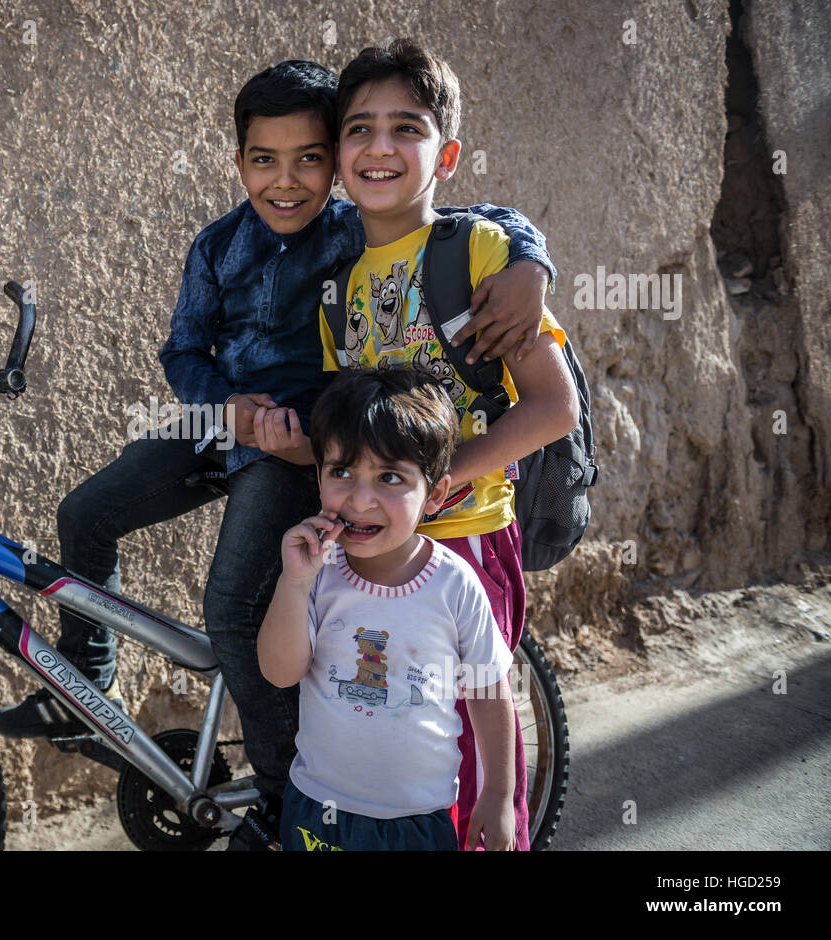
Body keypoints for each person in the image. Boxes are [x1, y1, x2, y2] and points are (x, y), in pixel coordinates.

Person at [0, 58, 557, 849]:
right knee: (84, 512)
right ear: (239, 164)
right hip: (228, 426)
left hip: (305, 448)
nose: (287, 182)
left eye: (309, 159)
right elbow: (183, 351)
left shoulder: (352, 231)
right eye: (265, 160)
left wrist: (533, 259)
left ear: (332, 164)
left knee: (229, 602)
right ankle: (86, 679)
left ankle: (279, 788)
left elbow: (459, 214)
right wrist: (225, 408)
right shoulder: (218, 246)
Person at [286, 37, 581, 849]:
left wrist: (446, 482)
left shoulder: (479, 252)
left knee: (477, 765)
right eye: (360, 129)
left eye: (406, 128)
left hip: (469, 544)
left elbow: (552, 407)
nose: (381, 147)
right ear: (338, 157)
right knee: (399, 763)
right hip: (372, 556)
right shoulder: (337, 294)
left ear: (445, 154)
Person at [258, 368, 518, 851]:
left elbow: (489, 693)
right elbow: (278, 673)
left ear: (435, 494)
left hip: (418, 823)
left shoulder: (454, 584)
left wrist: (499, 796)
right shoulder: (318, 571)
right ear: (318, 476)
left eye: (390, 477)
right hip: (319, 812)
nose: (361, 500)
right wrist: (294, 585)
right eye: (342, 472)